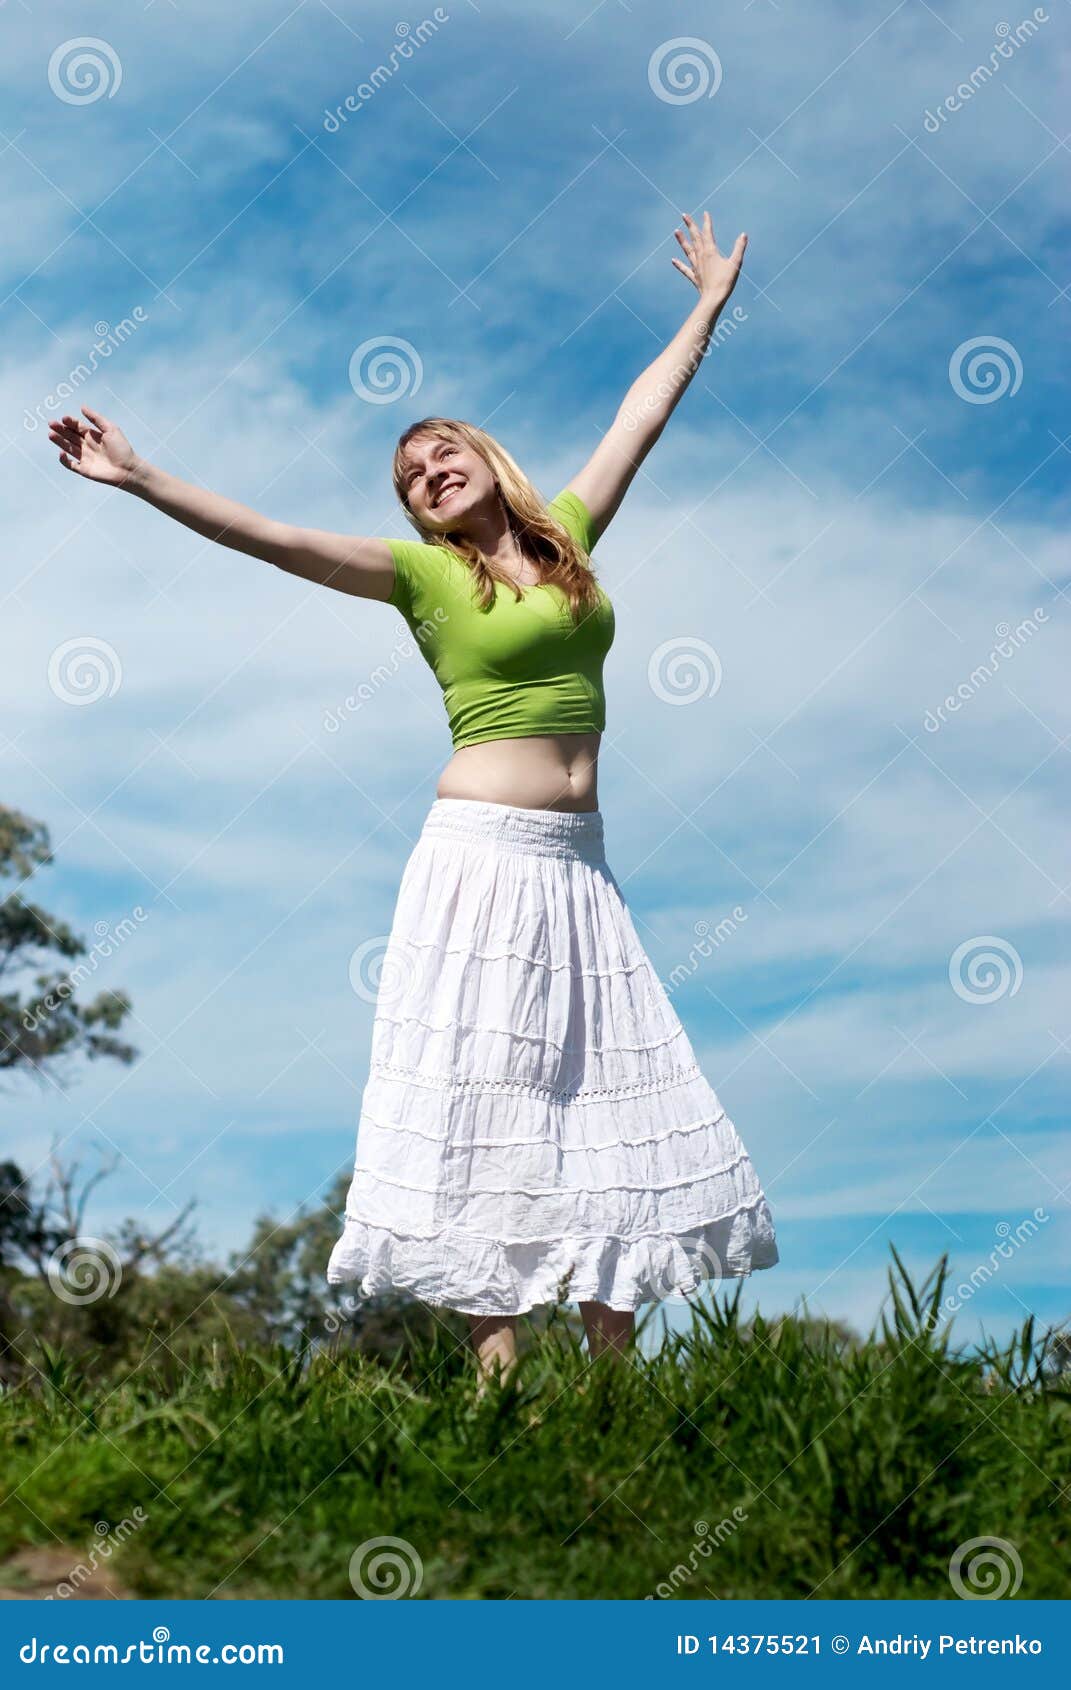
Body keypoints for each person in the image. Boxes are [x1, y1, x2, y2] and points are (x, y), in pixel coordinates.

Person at [47, 210, 778, 1386]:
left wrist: (706, 306)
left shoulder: (567, 538)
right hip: (480, 856)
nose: (429, 474)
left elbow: (639, 415)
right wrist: (139, 478)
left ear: (486, 458)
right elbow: (271, 537)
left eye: (443, 454)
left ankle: (611, 1396)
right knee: (481, 1096)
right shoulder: (420, 575)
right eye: (410, 478)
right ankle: (500, 1390)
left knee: (608, 1089)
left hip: (580, 866)